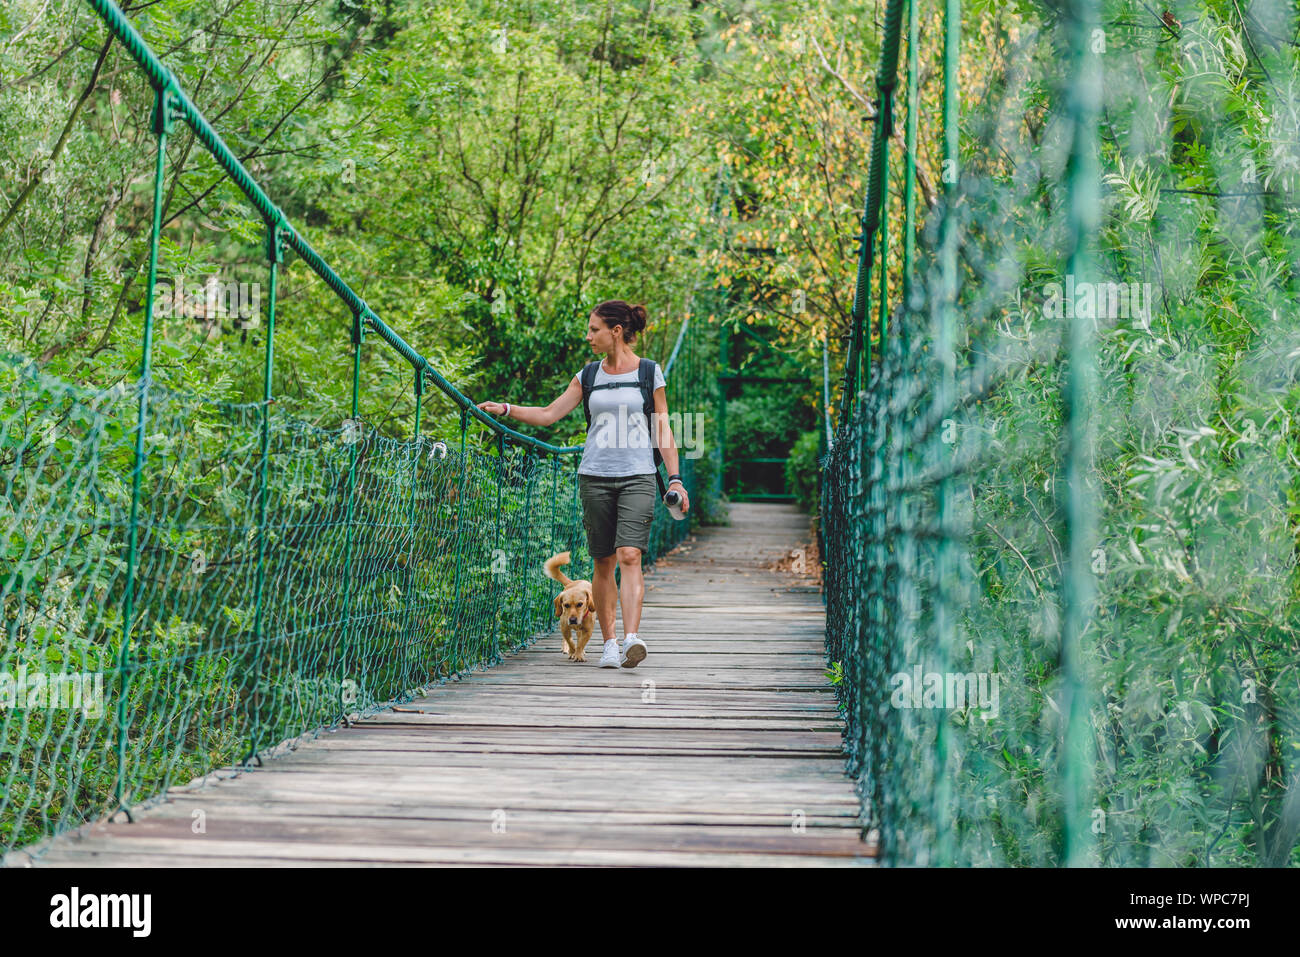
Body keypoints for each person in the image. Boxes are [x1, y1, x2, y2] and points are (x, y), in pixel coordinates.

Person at [476, 300, 690, 669]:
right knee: (603, 561)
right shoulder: (588, 375)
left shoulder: (649, 373)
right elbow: (548, 414)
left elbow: (663, 428)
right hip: (594, 477)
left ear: (616, 331)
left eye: (594, 329)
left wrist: (675, 478)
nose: (588, 336)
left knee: (630, 555)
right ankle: (608, 643)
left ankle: (631, 639)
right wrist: (506, 409)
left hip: (638, 475)